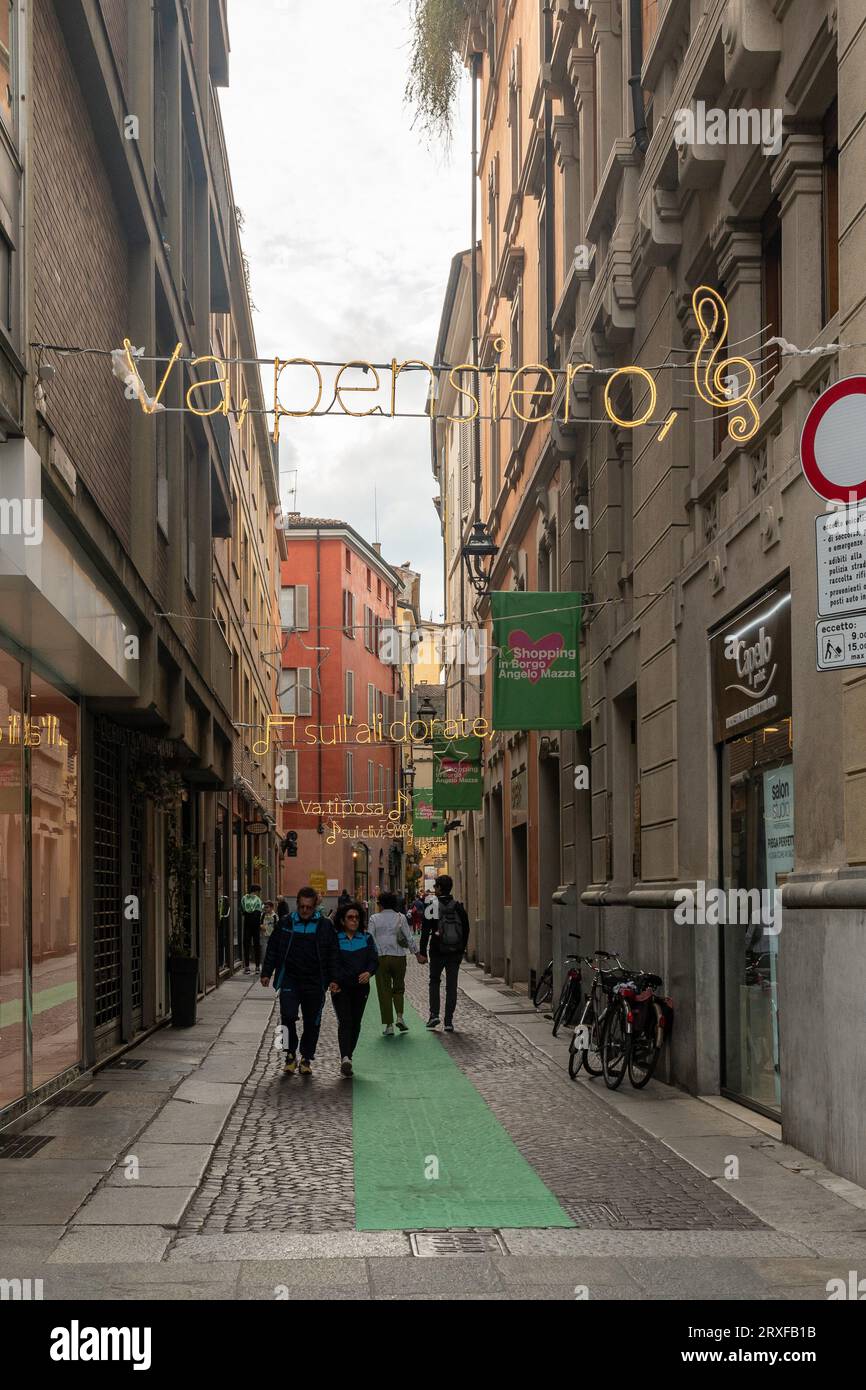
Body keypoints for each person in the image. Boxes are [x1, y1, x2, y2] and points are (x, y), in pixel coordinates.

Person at [260, 889, 340, 1076]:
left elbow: (333, 953)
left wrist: (334, 979)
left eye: (309, 907)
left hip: (315, 981)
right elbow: (273, 947)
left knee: (313, 1021)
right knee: (287, 1016)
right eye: (302, 907)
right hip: (290, 979)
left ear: (315, 907)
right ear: (297, 904)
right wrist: (266, 972)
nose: (305, 910)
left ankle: (306, 1057)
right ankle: (289, 1054)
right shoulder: (286, 923)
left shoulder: (324, 926)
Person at [330, 900, 378, 1077]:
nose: (354, 920)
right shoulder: (336, 939)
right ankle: (345, 1058)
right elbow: (331, 962)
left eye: (357, 917)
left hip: (361, 988)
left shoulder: (366, 938)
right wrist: (333, 980)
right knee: (345, 1021)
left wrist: (369, 972)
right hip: (341, 988)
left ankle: (349, 1055)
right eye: (350, 917)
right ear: (342, 920)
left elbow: (374, 960)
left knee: (356, 1023)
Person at [418, 874, 470, 1033]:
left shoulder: (431, 906)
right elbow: (466, 929)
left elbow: (425, 931)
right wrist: (461, 949)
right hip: (455, 952)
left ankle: (434, 1014)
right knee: (452, 985)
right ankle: (449, 1021)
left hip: (437, 950)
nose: (434, 889)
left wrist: (422, 952)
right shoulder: (458, 906)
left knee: (434, 981)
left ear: (440, 888)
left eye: (435, 886)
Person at [368, 890, 418, 1035]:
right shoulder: (400, 917)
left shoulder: (374, 918)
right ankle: (400, 1017)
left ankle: (389, 1025)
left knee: (384, 991)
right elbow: (409, 938)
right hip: (398, 957)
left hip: (381, 957)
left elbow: (370, 938)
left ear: (380, 904)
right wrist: (417, 954)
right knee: (398, 988)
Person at [240, 883, 264, 975]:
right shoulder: (258, 900)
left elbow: (242, 911)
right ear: (257, 891)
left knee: (246, 944)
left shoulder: (244, 898)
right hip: (255, 923)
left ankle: (247, 966)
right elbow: (259, 912)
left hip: (247, 923)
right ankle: (257, 967)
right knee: (256, 945)